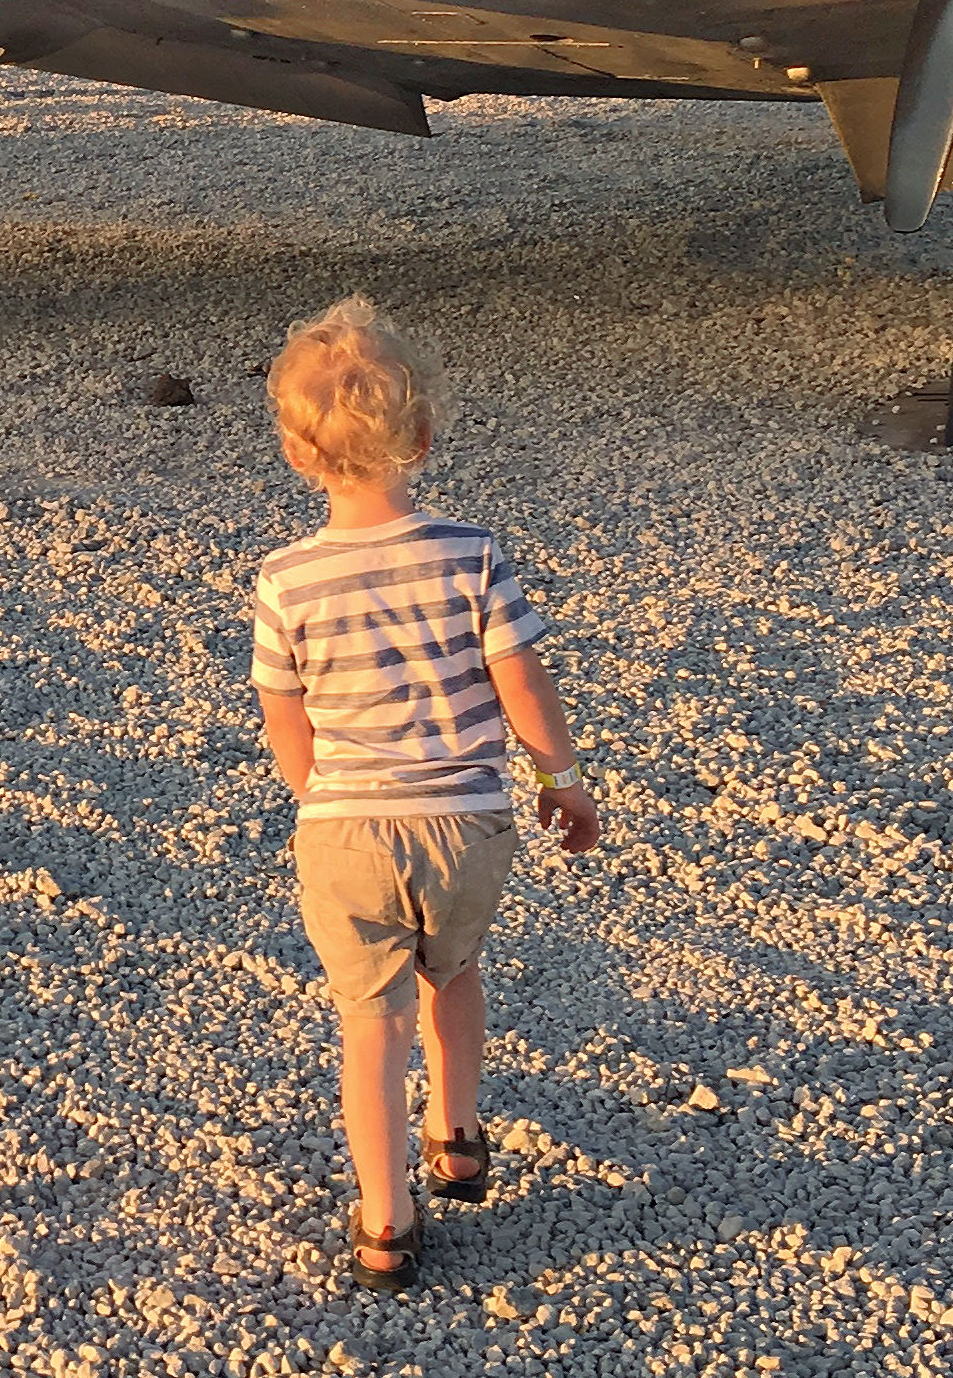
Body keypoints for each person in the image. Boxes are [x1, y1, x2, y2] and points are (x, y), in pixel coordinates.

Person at [248, 294, 601, 1291]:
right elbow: (521, 681)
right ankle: (455, 1135)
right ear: (424, 437)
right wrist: (561, 778)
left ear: (296, 454)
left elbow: (283, 712)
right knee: (454, 968)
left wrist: (317, 793)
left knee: (371, 1022)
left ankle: (384, 1222)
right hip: (464, 822)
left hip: (345, 829)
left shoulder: (285, 580)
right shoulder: (471, 554)